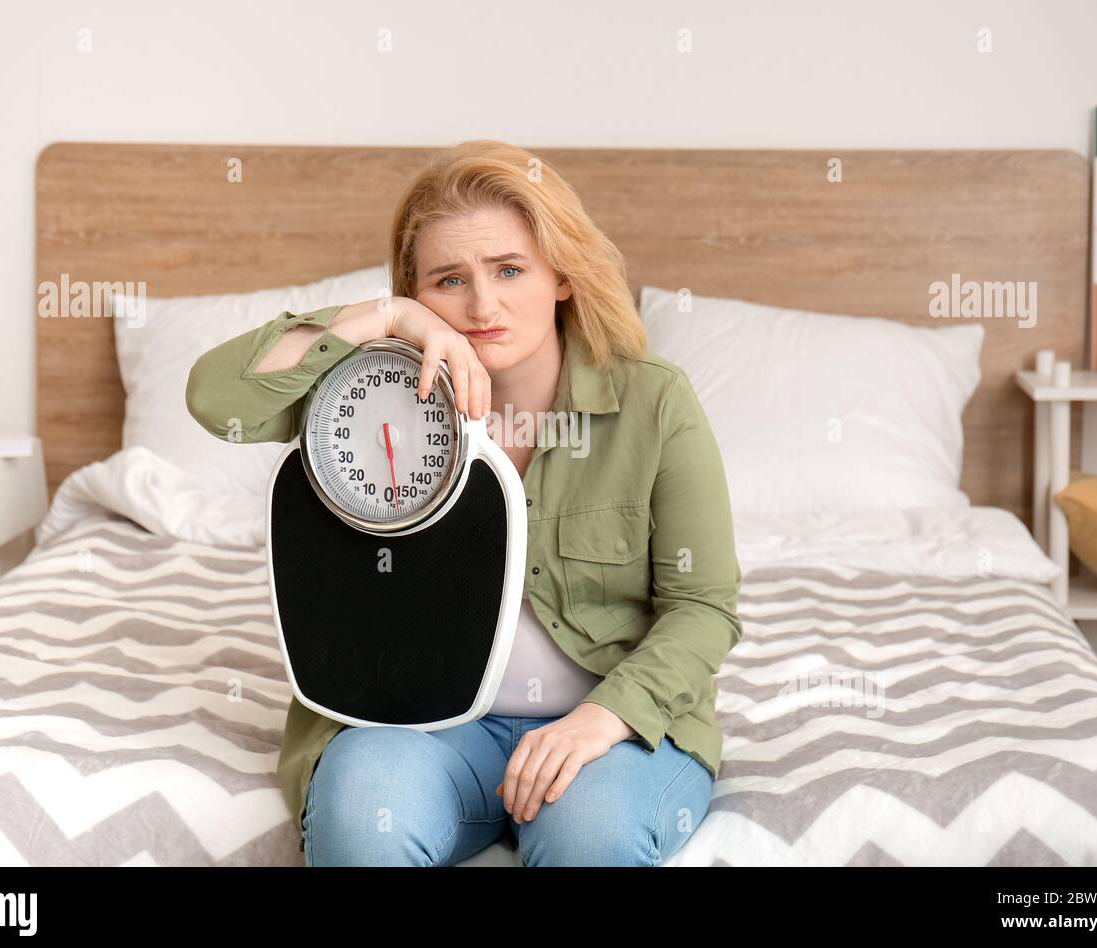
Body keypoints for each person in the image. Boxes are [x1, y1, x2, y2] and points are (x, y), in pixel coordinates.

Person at [185, 140, 742, 866]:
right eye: (449, 280)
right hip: (413, 727)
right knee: (364, 827)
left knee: (591, 840)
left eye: (510, 269)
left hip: (607, 730)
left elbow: (704, 608)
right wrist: (385, 320)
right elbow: (214, 396)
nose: (482, 305)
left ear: (562, 275)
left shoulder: (654, 400)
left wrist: (604, 717)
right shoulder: (365, 396)